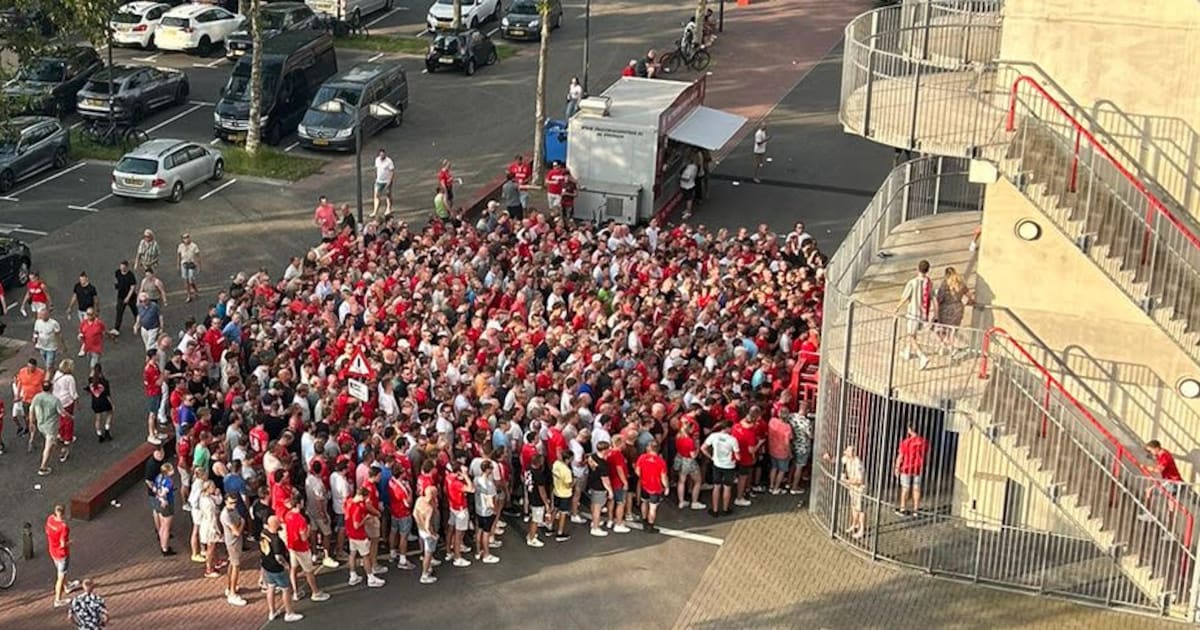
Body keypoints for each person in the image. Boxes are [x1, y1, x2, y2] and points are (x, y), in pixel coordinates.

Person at [284, 494, 330, 602]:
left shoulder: (288, 515)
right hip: (302, 548)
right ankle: (315, 592)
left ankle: (296, 592)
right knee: (309, 571)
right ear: (300, 503)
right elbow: (304, 538)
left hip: (291, 546)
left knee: (294, 568)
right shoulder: (301, 519)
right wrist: (308, 530)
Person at [260, 515, 304, 623]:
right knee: (286, 589)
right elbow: (278, 556)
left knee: (271, 587)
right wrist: (286, 565)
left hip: (266, 566)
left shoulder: (264, 533)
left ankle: (272, 611)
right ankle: (289, 613)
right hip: (277, 568)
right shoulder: (276, 540)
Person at [895, 259, 937, 370]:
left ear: (917, 269)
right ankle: (907, 352)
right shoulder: (929, 283)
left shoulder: (912, 282)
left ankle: (922, 356)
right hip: (922, 314)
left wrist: (897, 307)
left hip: (913, 313)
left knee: (910, 335)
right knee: (912, 334)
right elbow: (932, 297)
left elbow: (904, 297)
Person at [345, 487, 385, 587]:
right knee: (366, 556)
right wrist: (365, 519)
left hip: (350, 533)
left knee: (352, 554)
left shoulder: (348, 502)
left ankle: (353, 575)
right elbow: (356, 525)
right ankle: (370, 578)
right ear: (362, 496)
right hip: (359, 535)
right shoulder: (357, 508)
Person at [1140, 440, 1185, 522]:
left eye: (1150, 450)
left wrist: (1145, 467)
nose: (1150, 453)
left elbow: (1158, 470)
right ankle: (1169, 529)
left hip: (1173, 482)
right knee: (1170, 505)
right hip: (1171, 481)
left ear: (1156, 448)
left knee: (1149, 491)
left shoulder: (1164, 455)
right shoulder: (1162, 454)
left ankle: (1150, 514)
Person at [701, 421, 739, 517]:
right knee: (727, 487)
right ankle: (725, 509)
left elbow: (703, 448)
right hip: (729, 466)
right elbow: (738, 456)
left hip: (717, 464)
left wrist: (711, 457)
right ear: (728, 428)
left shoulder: (714, 436)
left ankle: (715, 509)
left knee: (716, 487)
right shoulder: (733, 440)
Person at [46, 504, 78, 607]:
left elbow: (47, 531)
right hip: (62, 554)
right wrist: (71, 542)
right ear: (63, 513)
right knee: (60, 575)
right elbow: (63, 544)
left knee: (61, 571)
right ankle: (58, 600)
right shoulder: (63, 527)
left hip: (52, 551)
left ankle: (67, 586)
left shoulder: (50, 519)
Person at [32, 379, 66, 476]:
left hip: (41, 425)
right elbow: (62, 413)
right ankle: (43, 467)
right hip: (51, 427)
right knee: (47, 447)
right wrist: (70, 417)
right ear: (51, 388)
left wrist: (31, 422)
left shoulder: (37, 397)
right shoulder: (55, 400)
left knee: (52, 441)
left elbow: (32, 410)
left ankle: (60, 450)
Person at [220, 494, 248, 606]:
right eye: (231, 502)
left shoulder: (233, 510)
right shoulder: (225, 515)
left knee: (232, 563)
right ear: (226, 501)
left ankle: (230, 586)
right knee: (236, 566)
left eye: (235, 502)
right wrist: (242, 523)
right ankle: (232, 594)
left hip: (236, 542)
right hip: (233, 543)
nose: (234, 505)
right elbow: (236, 532)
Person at [634, 440, 668, 532]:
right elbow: (663, 477)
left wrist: (643, 477)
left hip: (644, 485)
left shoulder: (642, 457)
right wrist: (666, 487)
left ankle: (644, 519)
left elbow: (637, 471)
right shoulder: (661, 461)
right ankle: (650, 525)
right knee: (653, 507)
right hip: (655, 487)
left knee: (644, 502)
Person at [894, 424, 928, 517]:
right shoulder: (923, 442)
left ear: (909, 430)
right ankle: (916, 510)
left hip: (906, 467)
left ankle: (903, 508)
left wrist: (897, 467)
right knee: (916, 488)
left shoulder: (906, 442)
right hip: (918, 467)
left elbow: (900, 456)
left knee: (905, 488)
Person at [473, 459, 501, 563]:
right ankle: (486, 554)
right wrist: (495, 510)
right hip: (487, 511)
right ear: (488, 470)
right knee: (486, 533)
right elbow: (491, 501)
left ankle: (478, 551)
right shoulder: (490, 485)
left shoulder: (476, 480)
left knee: (479, 530)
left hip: (478, 509)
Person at [586, 441, 614, 537]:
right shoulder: (603, 465)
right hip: (600, 488)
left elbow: (589, 460)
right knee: (598, 508)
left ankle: (594, 522)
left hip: (592, 484)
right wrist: (610, 491)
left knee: (593, 505)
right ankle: (595, 528)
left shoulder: (593, 457)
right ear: (604, 450)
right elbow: (605, 480)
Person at [413, 485, 439, 584]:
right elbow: (428, 525)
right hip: (428, 533)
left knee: (425, 551)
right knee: (428, 554)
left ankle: (428, 568)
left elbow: (415, 513)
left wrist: (420, 525)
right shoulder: (429, 508)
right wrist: (432, 534)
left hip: (421, 529)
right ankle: (424, 574)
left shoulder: (419, 500)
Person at [524, 453, 550, 547]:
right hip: (537, 500)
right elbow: (542, 491)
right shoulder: (538, 474)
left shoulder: (528, 469)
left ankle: (531, 533)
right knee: (536, 520)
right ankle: (532, 538)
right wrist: (546, 503)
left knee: (533, 517)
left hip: (530, 496)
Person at [154, 462, 178, 556]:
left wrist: (159, 499)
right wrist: (163, 500)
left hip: (158, 504)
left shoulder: (158, 477)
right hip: (167, 504)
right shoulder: (169, 481)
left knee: (162, 526)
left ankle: (162, 545)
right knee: (166, 527)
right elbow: (164, 492)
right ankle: (165, 548)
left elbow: (155, 489)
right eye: (171, 469)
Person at [86, 363, 113, 444]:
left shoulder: (91, 381)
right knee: (110, 413)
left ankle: (99, 434)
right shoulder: (104, 382)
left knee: (98, 418)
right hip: (104, 401)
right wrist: (112, 403)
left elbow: (90, 376)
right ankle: (107, 429)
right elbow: (108, 395)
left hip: (95, 402)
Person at [767, 413, 793, 495]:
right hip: (782, 452)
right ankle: (776, 488)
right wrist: (789, 452)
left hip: (772, 449)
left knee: (774, 468)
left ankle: (771, 486)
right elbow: (787, 442)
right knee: (782, 470)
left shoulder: (772, 421)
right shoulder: (787, 427)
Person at [550, 449, 573, 542]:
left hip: (556, 491)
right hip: (565, 494)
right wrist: (574, 481)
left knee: (555, 509)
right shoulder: (567, 471)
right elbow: (568, 485)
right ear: (568, 459)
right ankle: (560, 532)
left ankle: (549, 526)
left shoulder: (556, 464)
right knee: (563, 513)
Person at [111, 261, 137, 336]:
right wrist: (117, 285)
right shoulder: (118, 272)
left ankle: (138, 322)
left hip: (131, 298)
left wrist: (128, 297)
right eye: (121, 267)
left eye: (124, 268)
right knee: (119, 312)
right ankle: (116, 329)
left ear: (127, 267)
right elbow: (116, 279)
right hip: (121, 297)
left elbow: (133, 287)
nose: (122, 269)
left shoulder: (130, 275)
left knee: (135, 311)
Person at [177, 233, 201, 303]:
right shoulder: (180, 246)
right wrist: (178, 265)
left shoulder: (194, 246)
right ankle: (189, 295)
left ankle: (195, 290)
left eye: (187, 237)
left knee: (191, 280)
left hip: (191, 264)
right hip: (184, 264)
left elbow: (198, 256)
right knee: (185, 280)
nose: (186, 239)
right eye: (184, 238)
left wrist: (199, 265)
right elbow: (178, 256)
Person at [373, 148, 395, 217]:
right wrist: (376, 177)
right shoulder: (377, 160)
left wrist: (390, 181)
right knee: (376, 195)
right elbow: (377, 169)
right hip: (379, 181)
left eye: (383, 154)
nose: (382, 156)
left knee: (388, 195)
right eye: (381, 155)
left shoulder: (389, 161)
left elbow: (392, 171)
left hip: (386, 181)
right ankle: (375, 211)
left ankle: (388, 208)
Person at [679, 155, 698, 219]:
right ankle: (687, 210)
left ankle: (688, 212)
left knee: (688, 199)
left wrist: (680, 177)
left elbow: (686, 178)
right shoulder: (695, 166)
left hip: (687, 186)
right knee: (688, 199)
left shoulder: (689, 169)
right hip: (691, 184)